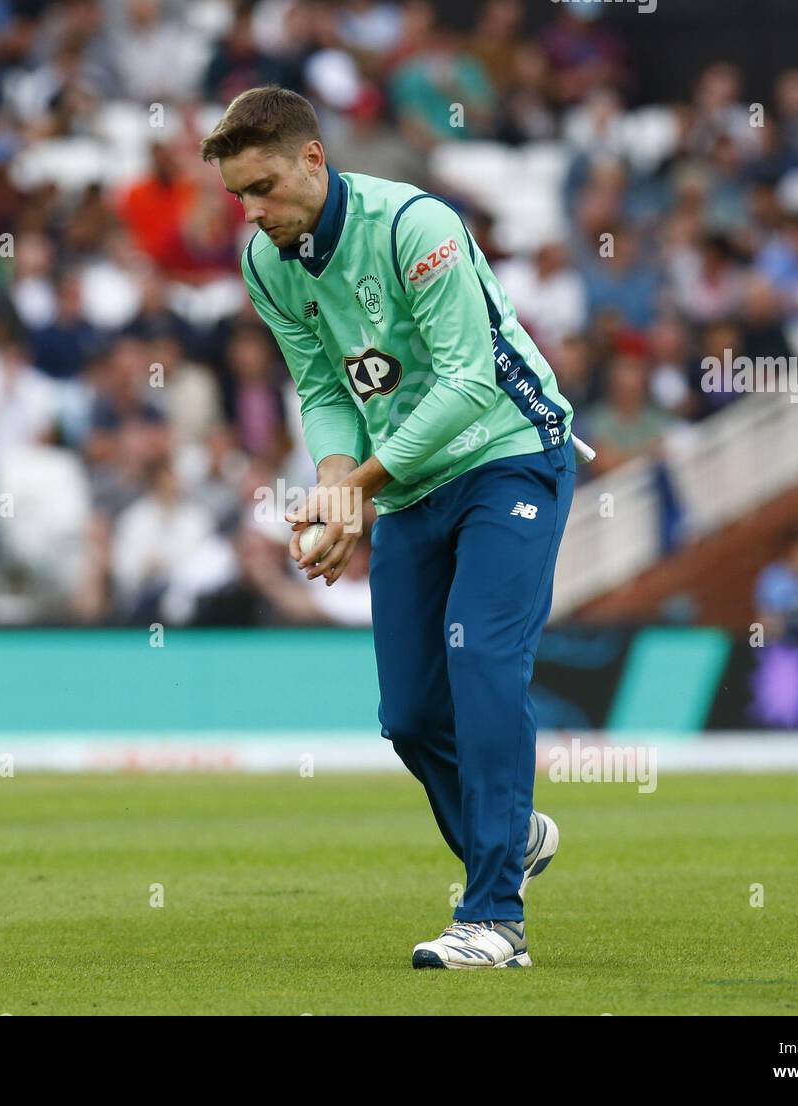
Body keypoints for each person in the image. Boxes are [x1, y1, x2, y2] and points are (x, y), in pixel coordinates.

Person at [201, 85, 587, 970]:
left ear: (312, 159)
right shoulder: (267, 264)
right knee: (410, 715)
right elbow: (327, 388)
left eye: (263, 186)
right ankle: (509, 833)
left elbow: (468, 384)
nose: (253, 212)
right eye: (237, 197)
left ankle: (494, 919)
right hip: (413, 483)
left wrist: (361, 486)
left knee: (483, 659)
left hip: (509, 454)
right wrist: (338, 482)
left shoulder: (417, 226)